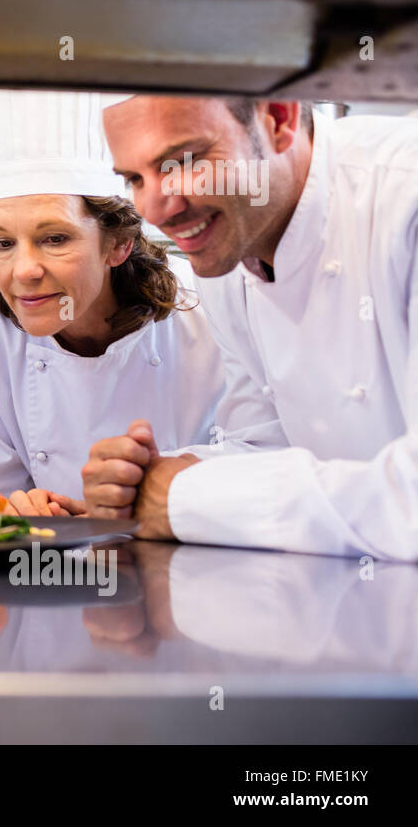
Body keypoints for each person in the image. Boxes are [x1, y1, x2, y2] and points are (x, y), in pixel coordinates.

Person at [84, 96, 418, 560]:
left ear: (278, 118)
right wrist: (151, 479)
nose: (155, 210)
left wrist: (186, 499)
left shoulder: (405, 196)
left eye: (184, 162)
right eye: (135, 179)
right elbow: (265, 444)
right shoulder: (227, 258)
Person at [0, 90, 224, 516]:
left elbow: (259, 465)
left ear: (117, 245)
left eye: (54, 239)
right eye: (3, 243)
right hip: (48, 576)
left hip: (190, 570)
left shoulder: (210, 318)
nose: (24, 270)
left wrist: (147, 501)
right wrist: (21, 514)